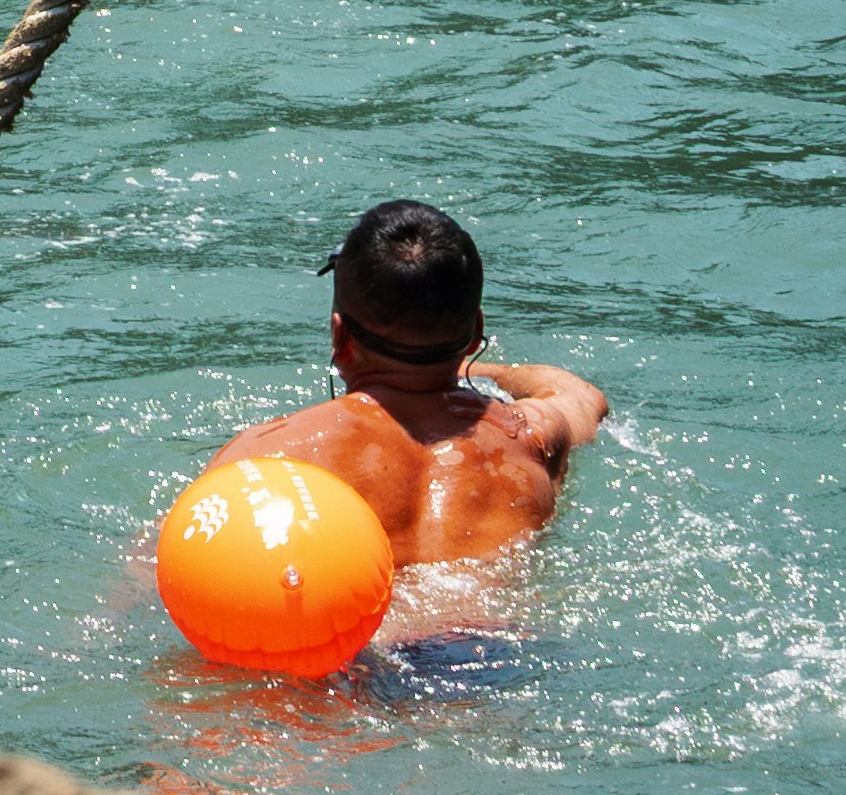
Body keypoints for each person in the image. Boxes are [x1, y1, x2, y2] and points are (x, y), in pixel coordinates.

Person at [206, 196, 606, 570]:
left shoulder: (267, 455)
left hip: (363, 639)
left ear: (338, 335)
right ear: (475, 332)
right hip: (505, 642)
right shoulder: (533, 438)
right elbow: (580, 395)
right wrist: (473, 371)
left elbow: (159, 568)